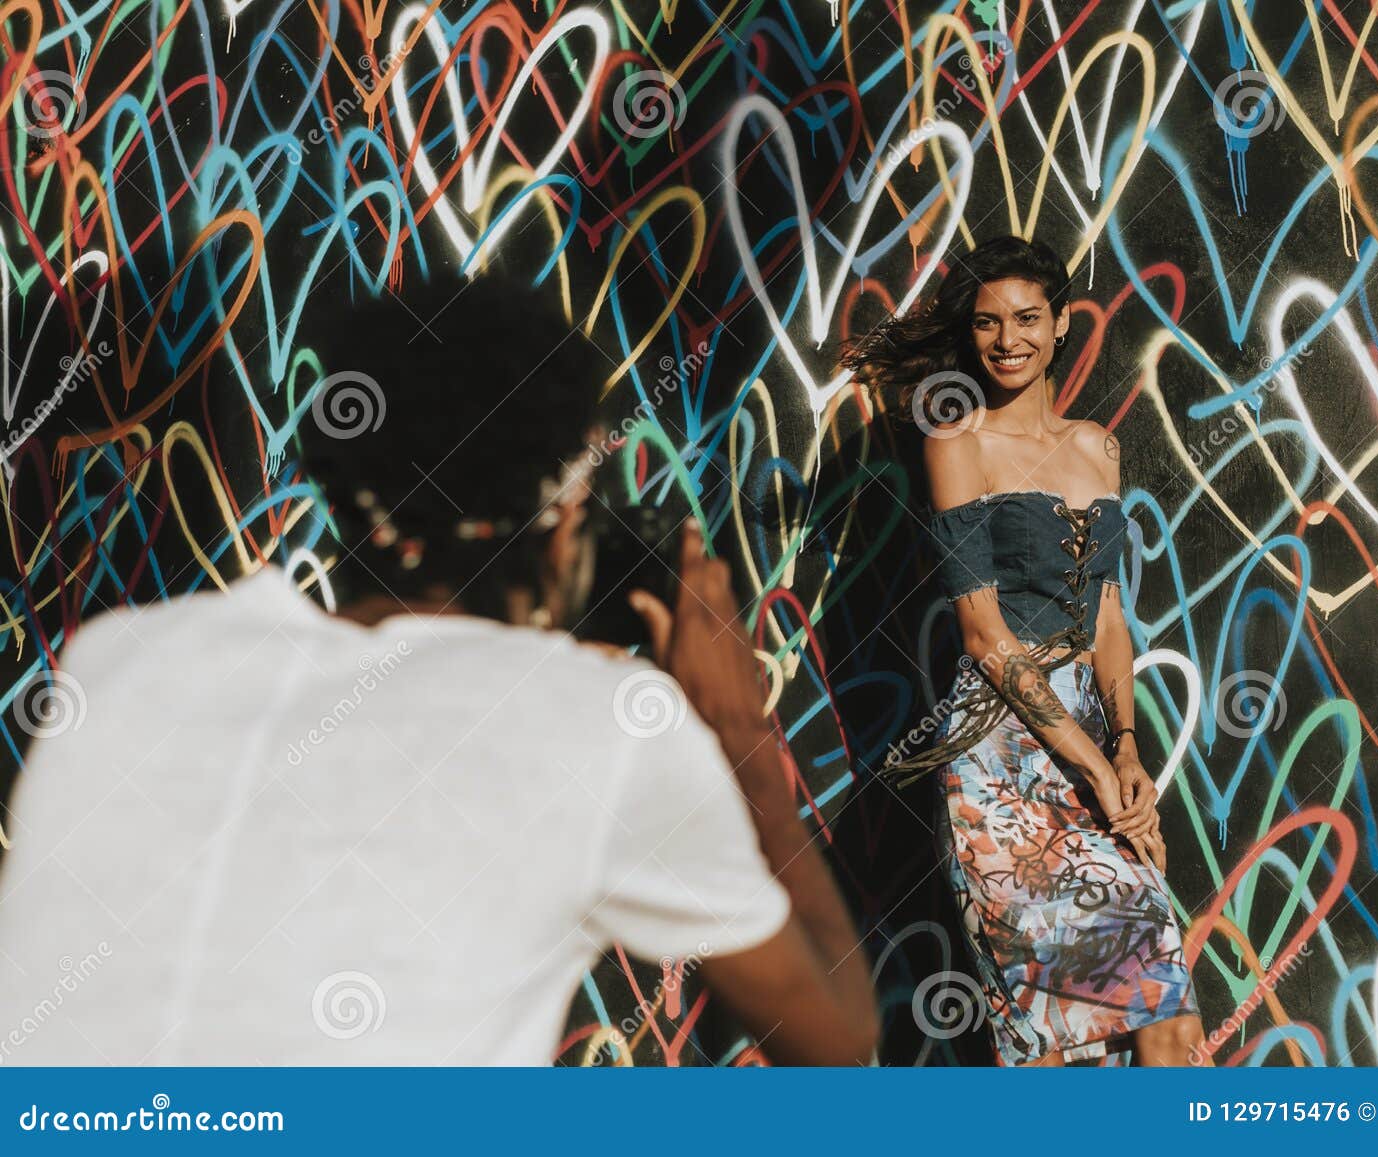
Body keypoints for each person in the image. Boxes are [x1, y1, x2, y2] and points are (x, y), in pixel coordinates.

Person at [0, 272, 879, 1066]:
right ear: (561, 517)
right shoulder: (604, 727)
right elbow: (837, 1040)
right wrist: (737, 724)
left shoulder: (124, 656)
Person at [839, 235, 1204, 1066]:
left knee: (1170, 1022)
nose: (1009, 339)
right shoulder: (957, 443)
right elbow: (985, 637)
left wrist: (1126, 746)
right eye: (988, 322)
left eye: (1028, 318)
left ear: (1061, 322)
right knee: (1050, 1043)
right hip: (998, 765)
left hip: (1089, 746)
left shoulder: (1098, 446)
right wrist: (1096, 768)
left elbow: (1109, 617)